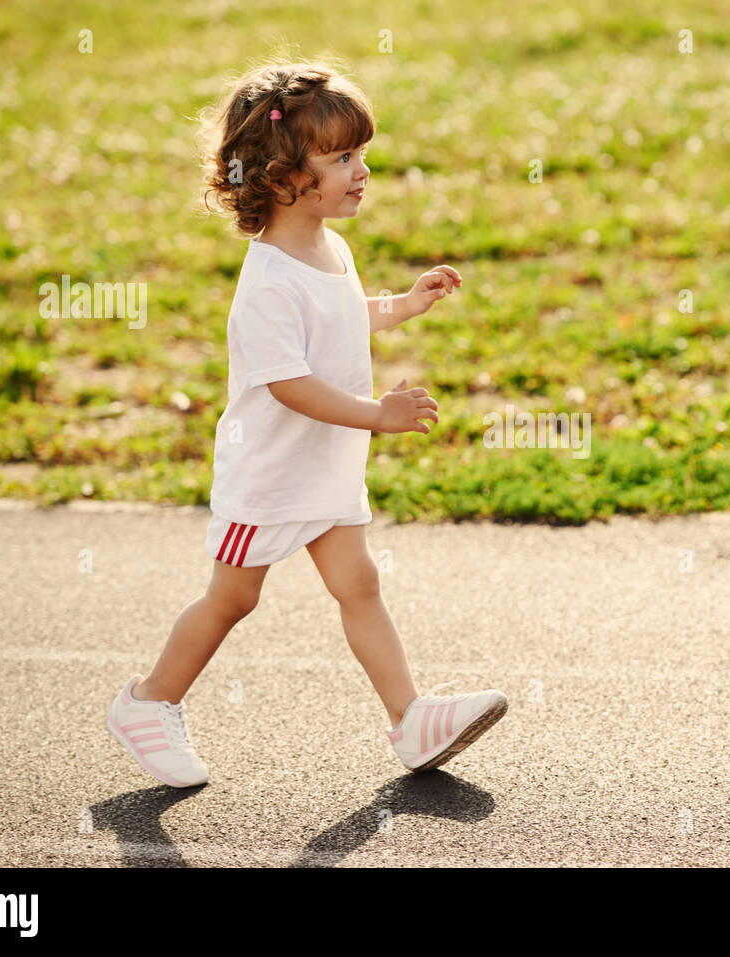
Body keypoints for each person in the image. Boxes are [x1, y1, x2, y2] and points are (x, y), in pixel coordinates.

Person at [106, 58, 507, 787]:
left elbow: (341, 318)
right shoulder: (266, 280)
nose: (363, 171)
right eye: (343, 158)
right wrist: (377, 416)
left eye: (361, 154)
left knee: (360, 584)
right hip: (269, 475)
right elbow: (289, 383)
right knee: (233, 599)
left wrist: (403, 305)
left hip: (324, 468)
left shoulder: (329, 247)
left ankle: (411, 718)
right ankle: (148, 702)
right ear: (285, 176)